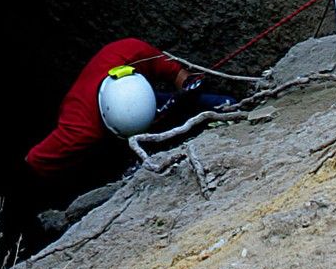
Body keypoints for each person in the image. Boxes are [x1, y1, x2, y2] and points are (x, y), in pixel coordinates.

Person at [23, 38, 224, 194]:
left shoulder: (131, 53)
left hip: (146, 105)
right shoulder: (80, 129)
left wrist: (188, 86)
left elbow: (177, 73)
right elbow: (35, 162)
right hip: (100, 140)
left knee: (222, 105)